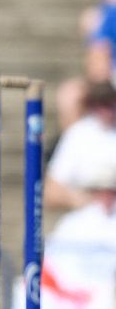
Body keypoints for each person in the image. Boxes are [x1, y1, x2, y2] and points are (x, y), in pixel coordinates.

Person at [47, 82, 116, 213]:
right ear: (92, 106)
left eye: (111, 104)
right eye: (102, 105)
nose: (108, 111)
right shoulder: (77, 135)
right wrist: (84, 200)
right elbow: (53, 192)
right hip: (88, 213)